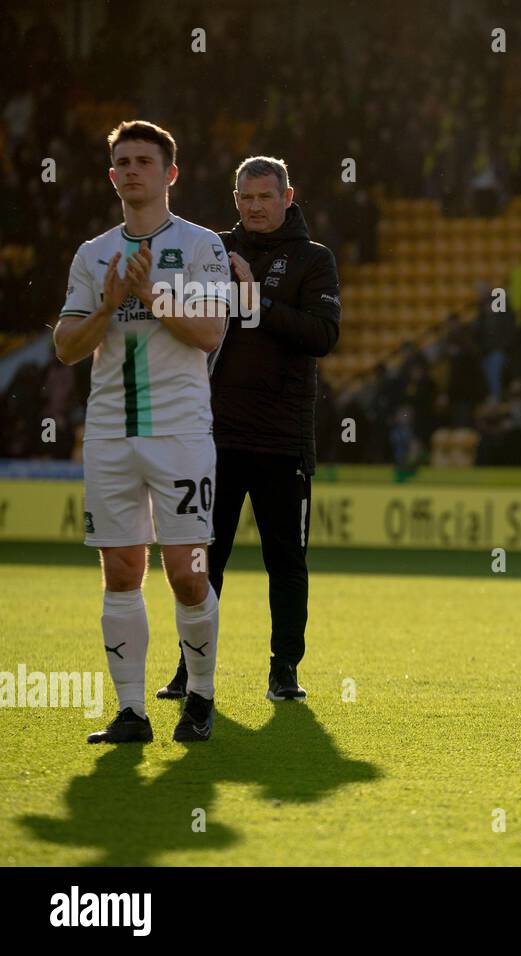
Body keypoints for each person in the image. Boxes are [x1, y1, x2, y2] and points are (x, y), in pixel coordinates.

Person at [54, 120, 229, 743]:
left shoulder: (202, 245)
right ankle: (132, 713)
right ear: (111, 176)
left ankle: (201, 697)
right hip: (109, 434)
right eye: (122, 162)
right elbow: (67, 348)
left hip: (181, 431)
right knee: (123, 571)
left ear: (169, 174)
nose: (132, 170)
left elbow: (210, 334)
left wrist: (149, 292)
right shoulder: (92, 253)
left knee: (187, 572)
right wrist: (106, 305)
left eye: (144, 162)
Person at [157, 156, 340, 702]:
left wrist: (253, 295)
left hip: (284, 439)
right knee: (203, 559)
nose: (255, 207)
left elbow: (322, 334)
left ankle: (284, 670)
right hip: (211, 437)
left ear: (288, 196)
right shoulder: (208, 250)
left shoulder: (314, 259)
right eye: (245, 197)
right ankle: (190, 670)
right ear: (234, 198)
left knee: (285, 560)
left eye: (265, 196)